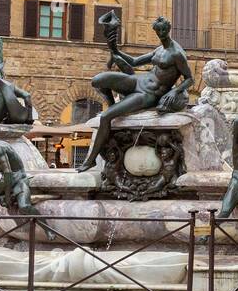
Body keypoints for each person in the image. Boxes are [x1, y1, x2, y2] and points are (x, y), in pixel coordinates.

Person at [76, 16, 194, 173]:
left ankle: (90, 161)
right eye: (158, 30)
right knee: (98, 80)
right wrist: (115, 49)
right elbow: (133, 62)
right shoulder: (159, 50)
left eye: (164, 29)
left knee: (106, 117)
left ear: (169, 29)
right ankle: (113, 106)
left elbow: (190, 79)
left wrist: (174, 91)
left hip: (148, 94)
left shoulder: (177, 54)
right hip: (138, 81)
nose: (161, 33)